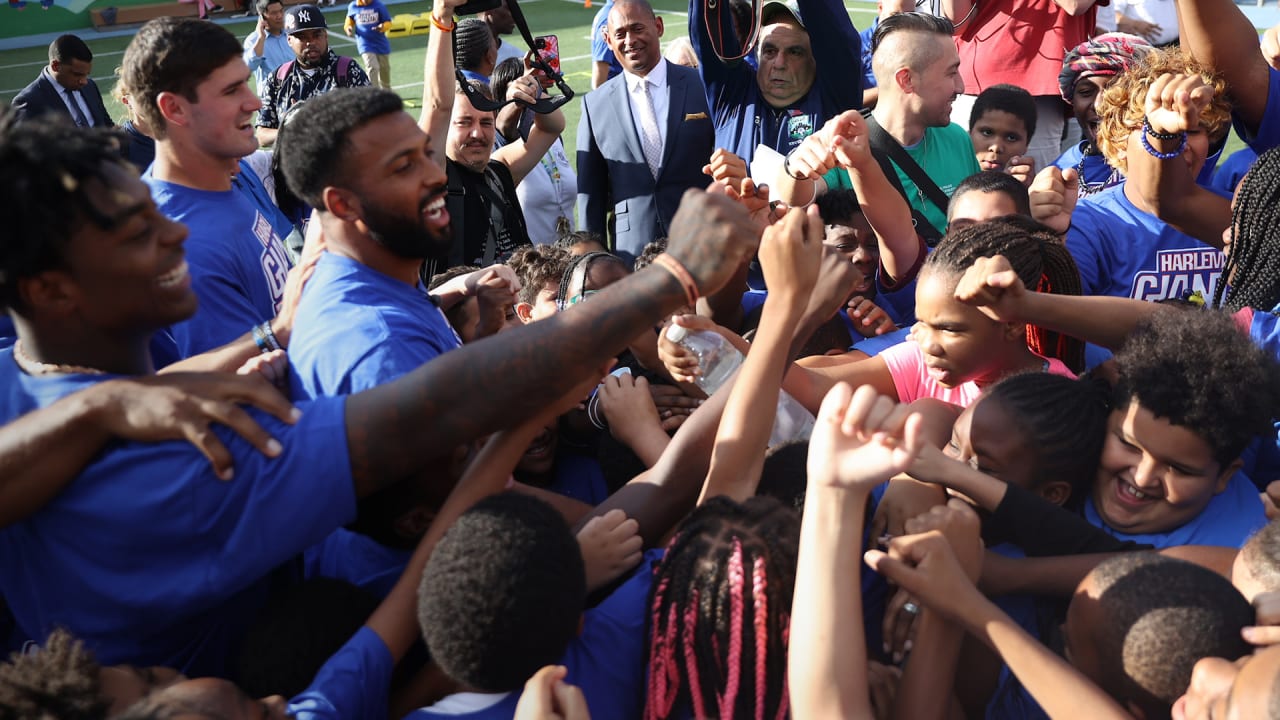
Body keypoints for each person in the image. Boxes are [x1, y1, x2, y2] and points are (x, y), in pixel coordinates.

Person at [0, 101, 758, 678]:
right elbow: (437, 415)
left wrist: (263, 341)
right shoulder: (187, 461)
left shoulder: (28, 382)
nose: (176, 235)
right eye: (136, 233)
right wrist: (675, 278)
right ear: (51, 289)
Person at [122, 18, 296, 363]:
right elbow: (244, 394)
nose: (255, 103)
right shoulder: (185, 247)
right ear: (174, 108)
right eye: (232, 91)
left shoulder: (213, 183)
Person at [1034, 49, 1232, 303]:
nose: (1176, 144)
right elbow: (1055, 320)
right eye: (1158, 132)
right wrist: (1053, 238)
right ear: (1118, 141)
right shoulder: (1088, 221)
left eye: (1193, 131)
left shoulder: (1235, 211)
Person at [420, 0, 565, 274]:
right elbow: (438, 106)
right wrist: (442, 16)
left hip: (513, 310)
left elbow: (552, 126)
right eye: (464, 122)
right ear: (447, 127)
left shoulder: (500, 172)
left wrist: (534, 88)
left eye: (486, 122)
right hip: (459, 313)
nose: (478, 133)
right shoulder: (434, 174)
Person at [576, 0, 715, 262]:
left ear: (659, 26)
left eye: (637, 28)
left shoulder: (701, 86)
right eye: (620, 34)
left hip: (702, 242)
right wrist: (592, 266)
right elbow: (590, 199)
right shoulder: (595, 105)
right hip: (633, 254)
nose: (630, 40)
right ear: (607, 40)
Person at [687, 0, 863, 166]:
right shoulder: (732, 95)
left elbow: (835, 33)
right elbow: (707, 29)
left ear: (815, 60)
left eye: (794, 52)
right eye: (770, 51)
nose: (779, 64)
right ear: (757, 55)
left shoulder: (833, 99)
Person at [943, 0, 1100, 172]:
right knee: (958, 183)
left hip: (1040, 81)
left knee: (1033, 191)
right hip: (976, 75)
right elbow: (956, 22)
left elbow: (1074, 4)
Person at [1051, 33, 1154, 198]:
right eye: (1085, 92)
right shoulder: (1059, 170)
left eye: (1114, 90)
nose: (1099, 106)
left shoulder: (1171, 162)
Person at [256, 4, 371, 148]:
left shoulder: (347, 70)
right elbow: (262, 135)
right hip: (292, 169)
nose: (311, 42)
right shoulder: (278, 78)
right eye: (302, 37)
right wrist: (291, 130)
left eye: (317, 35)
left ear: (325, 35)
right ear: (289, 40)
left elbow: (373, 119)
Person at [11, 34, 112, 128]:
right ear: (55, 66)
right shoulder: (28, 102)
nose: (84, 81)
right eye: (77, 74)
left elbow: (107, 125)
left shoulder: (90, 86)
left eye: (87, 74)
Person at [968, 83, 1036, 185]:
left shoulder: (1032, 192)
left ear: (1026, 144)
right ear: (969, 133)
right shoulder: (947, 176)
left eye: (1011, 138)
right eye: (987, 132)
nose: (996, 147)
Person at [242, 0, 292, 96]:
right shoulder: (253, 40)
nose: (279, 16)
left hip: (296, 93)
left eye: (281, 11)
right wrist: (261, 38)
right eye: (274, 13)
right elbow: (248, 67)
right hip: (272, 98)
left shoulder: (292, 34)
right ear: (262, 16)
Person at [344, 0, 393, 90]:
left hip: (380, 41)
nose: (365, 1)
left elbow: (388, 22)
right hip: (364, 42)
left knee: (384, 68)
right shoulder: (353, 6)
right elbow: (349, 21)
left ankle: (386, 90)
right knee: (372, 66)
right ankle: (373, 91)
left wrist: (382, 27)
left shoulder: (379, 5)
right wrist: (348, 28)